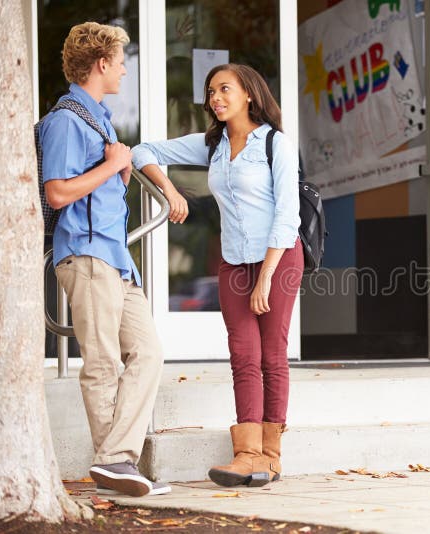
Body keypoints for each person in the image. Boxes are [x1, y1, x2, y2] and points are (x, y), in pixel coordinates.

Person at [132, 63, 302, 487]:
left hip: (277, 260)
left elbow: (287, 215)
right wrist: (169, 191)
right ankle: (246, 455)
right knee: (243, 355)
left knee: (270, 354)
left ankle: (270, 457)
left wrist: (265, 278)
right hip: (232, 261)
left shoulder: (274, 144)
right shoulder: (213, 145)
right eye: (210, 92)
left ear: (249, 93)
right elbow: (142, 152)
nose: (216, 99)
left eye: (224, 89)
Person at [41, 22, 187, 497]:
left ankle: (113, 460)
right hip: (85, 254)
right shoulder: (66, 119)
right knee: (102, 363)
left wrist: (120, 173)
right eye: (121, 61)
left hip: (115, 256)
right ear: (101, 64)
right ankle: (118, 465)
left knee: (148, 352)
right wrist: (112, 164)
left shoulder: (100, 119)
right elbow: (58, 192)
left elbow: (102, 187)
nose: (125, 69)